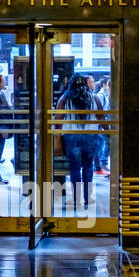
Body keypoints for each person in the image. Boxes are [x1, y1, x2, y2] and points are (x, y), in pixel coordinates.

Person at [55, 72, 102, 211]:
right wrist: (109, 134)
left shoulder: (65, 99)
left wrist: (56, 131)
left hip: (71, 137)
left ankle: (76, 200)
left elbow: (58, 119)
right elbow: (102, 118)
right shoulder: (94, 98)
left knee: (74, 169)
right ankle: (88, 198)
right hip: (90, 137)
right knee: (88, 167)